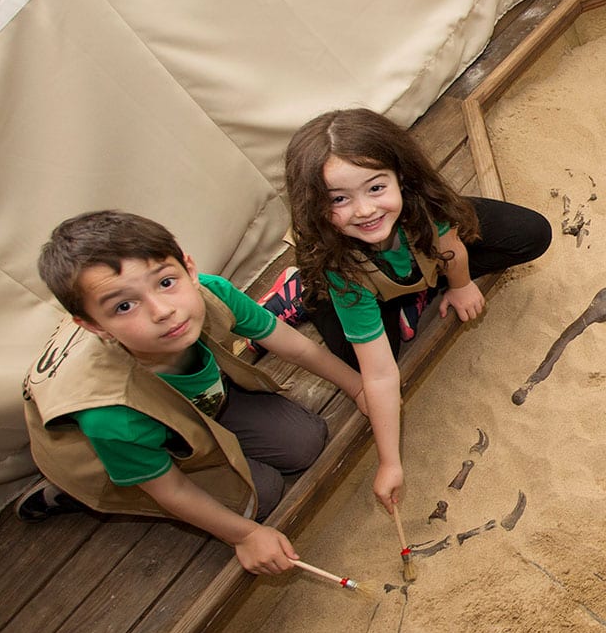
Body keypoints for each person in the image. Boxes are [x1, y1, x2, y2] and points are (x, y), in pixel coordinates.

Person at [21, 211, 368, 574]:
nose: (162, 310)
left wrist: (359, 386)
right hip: (108, 446)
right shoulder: (112, 415)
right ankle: (74, 494)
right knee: (261, 495)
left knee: (304, 442)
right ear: (94, 326)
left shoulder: (210, 292)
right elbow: (172, 491)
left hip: (198, 404)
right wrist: (245, 535)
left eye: (166, 282)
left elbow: (294, 347)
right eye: (124, 306)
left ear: (188, 268)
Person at [284, 108, 551, 512]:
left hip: (416, 244)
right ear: (318, 207)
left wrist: (460, 286)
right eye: (339, 199)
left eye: (375, 188)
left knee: (532, 234)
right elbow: (379, 375)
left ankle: (414, 290)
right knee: (369, 358)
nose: (364, 210)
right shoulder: (339, 266)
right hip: (347, 279)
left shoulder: (422, 202)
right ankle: (297, 289)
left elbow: (452, 248)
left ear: (400, 178)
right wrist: (390, 462)